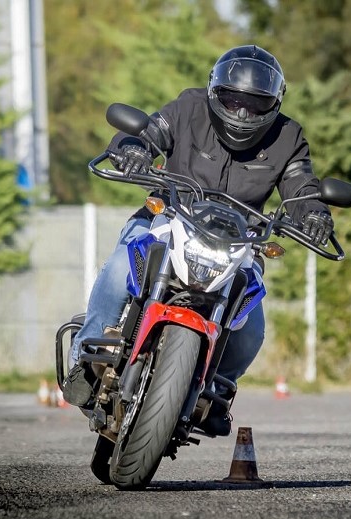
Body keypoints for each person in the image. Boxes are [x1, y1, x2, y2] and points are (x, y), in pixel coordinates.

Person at [62, 45, 335, 436]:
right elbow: (151, 131)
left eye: (255, 104)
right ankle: (86, 359)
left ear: (274, 103)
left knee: (251, 325)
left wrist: (313, 215)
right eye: (232, 99)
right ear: (214, 91)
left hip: (239, 244)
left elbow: (301, 187)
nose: (241, 112)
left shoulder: (287, 138)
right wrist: (134, 150)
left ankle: (218, 388)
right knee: (123, 263)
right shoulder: (189, 108)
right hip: (168, 219)